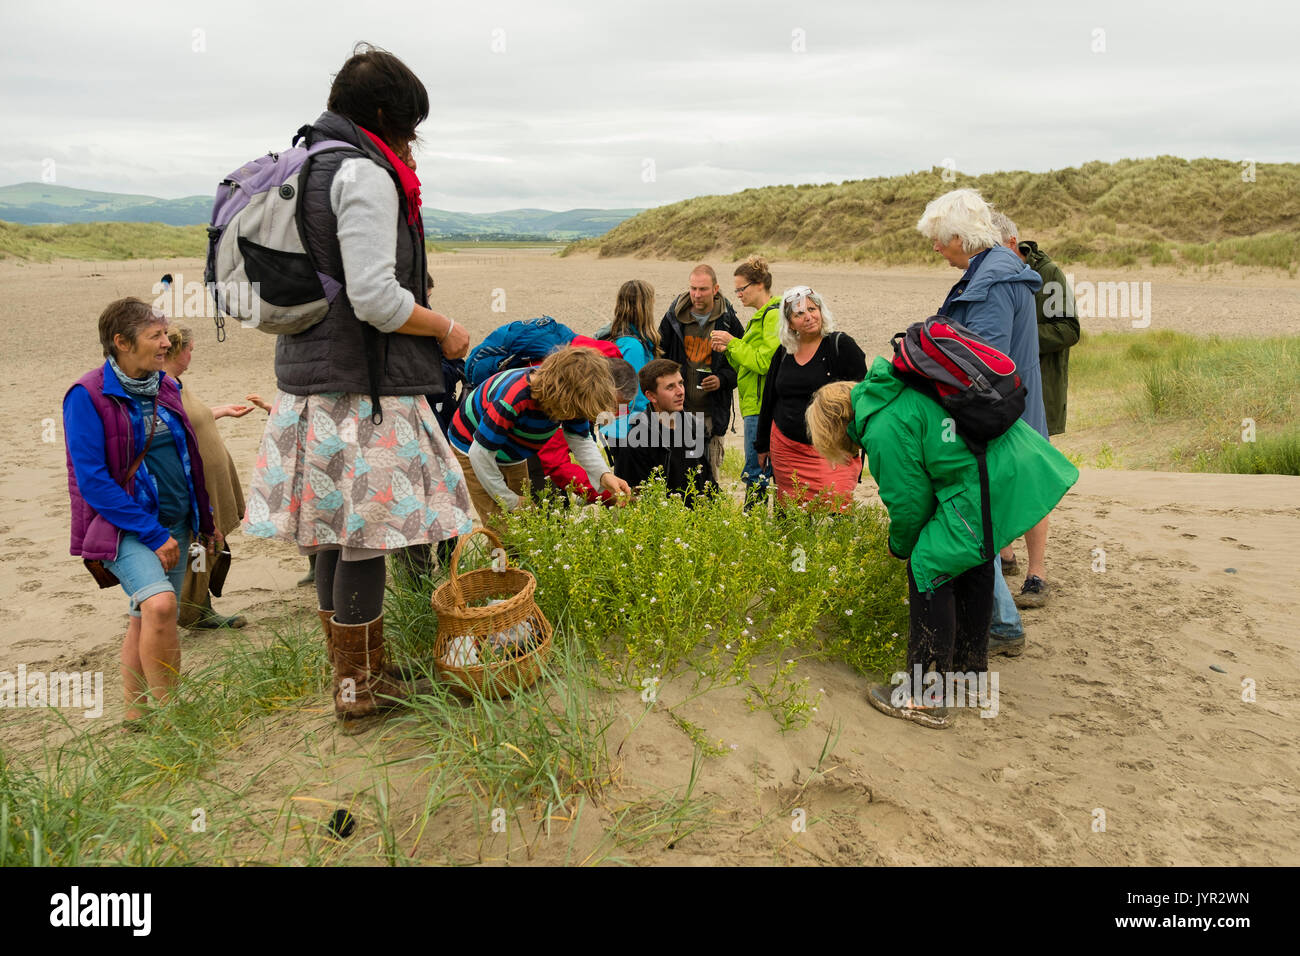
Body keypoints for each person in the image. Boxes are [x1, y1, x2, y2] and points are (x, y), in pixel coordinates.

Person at [241, 44, 475, 726]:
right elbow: (375, 299)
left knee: (330, 536)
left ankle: (352, 677)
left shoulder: (307, 163)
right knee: (365, 538)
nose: (412, 143)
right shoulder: (364, 174)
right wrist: (444, 328)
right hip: (360, 389)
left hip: (309, 380)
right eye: (408, 128)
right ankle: (360, 689)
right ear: (382, 116)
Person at [806, 366, 1077, 728]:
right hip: (1003, 467)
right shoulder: (893, 393)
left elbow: (910, 503)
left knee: (928, 564)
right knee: (972, 560)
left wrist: (898, 546)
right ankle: (968, 675)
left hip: (985, 481)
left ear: (834, 427)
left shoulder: (881, 425)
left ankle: (925, 696)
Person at [64, 298, 217, 726]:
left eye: (166, 334)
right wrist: (151, 533)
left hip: (177, 519)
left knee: (143, 615)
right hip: (124, 527)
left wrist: (205, 519)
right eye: (156, 336)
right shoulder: (86, 395)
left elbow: (189, 455)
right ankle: (173, 716)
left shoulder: (164, 385)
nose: (167, 343)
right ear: (121, 343)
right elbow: (92, 480)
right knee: (163, 606)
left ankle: (136, 713)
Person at [916, 188, 1044, 656]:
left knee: (969, 518)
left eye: (938, 239)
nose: (935, 248)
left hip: (992, 423)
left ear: (959, 236)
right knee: (978, 521)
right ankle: (1001, 620)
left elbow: (980, 368)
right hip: (1010, 416)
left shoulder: (989, 284)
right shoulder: (996, 273)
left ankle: (1002, 623)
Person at [991, 210, 1080, 610]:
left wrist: (1017, 334)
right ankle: (1006, 555)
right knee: (1001, 474)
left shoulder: (1050, 274)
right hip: (999, 394)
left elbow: (1068, 330)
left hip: (1036, 391)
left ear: (1011, 244)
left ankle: (1037, 574)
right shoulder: (991, 274)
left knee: (1034, 478)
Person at [448, 346, 632, 525]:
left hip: (514, 452)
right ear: (561, 395)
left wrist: (603, 475)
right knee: (501, 523)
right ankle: (499, 555)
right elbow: (480, 455)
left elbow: (580, 439)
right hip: (471, 447)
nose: (573, 418)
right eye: (572, 413)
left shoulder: (572, 397)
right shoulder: (510, 400)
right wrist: (509, 499)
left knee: (524, 520)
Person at [162, 325, 254, 629]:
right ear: (179, 350)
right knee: (201, 545)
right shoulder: (163, 385)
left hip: (208, 481)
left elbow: (187, 419)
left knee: (207, 544)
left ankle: (200, 606)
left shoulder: (177, 383)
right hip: (195, 483)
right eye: (191, 349)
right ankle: (196, 610)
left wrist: (221, 411)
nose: (192, 354)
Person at [753, 286, 866, 509]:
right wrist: (762, 444)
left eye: (812, 309)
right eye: (799, 314)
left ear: (821, 310)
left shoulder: (841, 346)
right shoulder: (784, 351)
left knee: (838, 508)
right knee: (790, 515)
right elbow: (769, 398)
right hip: (786, 448)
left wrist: (859, 440)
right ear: (790, 322)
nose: (808, 317)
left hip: (832, 450)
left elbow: (863, 394)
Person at [658, 265, 743, 482]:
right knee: (677, 477)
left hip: (711, 414)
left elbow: (743, 362)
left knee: (709, 479)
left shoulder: (727, 320)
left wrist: (723, 379)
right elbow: (659, 358)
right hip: (678, 414)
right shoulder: (673, 317)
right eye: (693, 288)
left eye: (703, 289)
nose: (696, 294)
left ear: (715, 289)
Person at [711, 255, 781, 510]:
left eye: (742, 289)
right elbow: (747, 366)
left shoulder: (772, 316)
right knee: (759, 470)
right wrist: (729, 349)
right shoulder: (761, 317)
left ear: (759, 284)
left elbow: (765, 362)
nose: (738, 295)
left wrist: (733, 342)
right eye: (736, 290)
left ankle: (754, 523)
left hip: (762, 407)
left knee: (757, 471)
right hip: (753, 404)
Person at [529, 348, 640, 505]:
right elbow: (556, 464)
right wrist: (607, 495)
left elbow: (582, 442)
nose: (611, 415)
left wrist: (606, 478)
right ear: (599, 389)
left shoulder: (601, 398)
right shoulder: (565, 400)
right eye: (610, 406)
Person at [611, 358, 714, 503]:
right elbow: (631, 498)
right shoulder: (636, 441)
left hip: (698, 518)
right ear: (651, 396)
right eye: (670, 387)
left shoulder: (695, 426)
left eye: (681, 383)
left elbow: (707, 479)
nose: (680, 392)